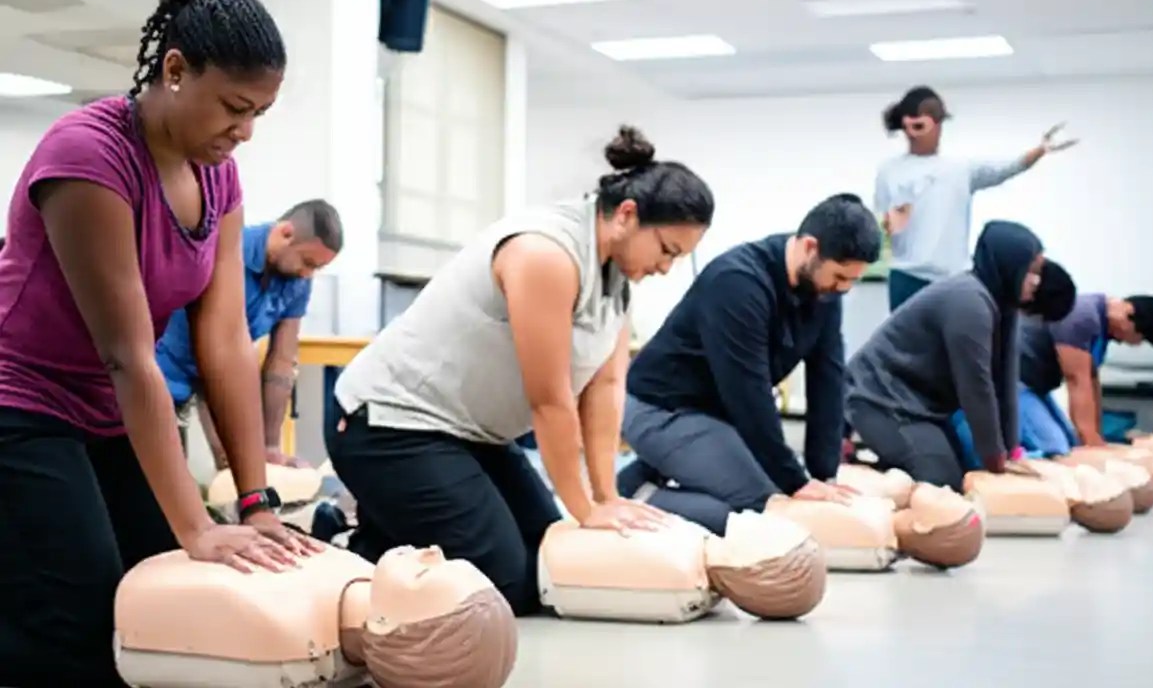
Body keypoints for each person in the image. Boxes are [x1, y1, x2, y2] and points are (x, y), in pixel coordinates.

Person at [0, 0, 321, 685]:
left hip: (109, 413)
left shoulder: (219, 176)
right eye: (234, 108)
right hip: (22, 402)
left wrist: (253, 499)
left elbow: (226, 343)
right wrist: (197, 526)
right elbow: (128, 356)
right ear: (175, 70)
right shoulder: (88, 155)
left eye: (258, 115)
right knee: (79, 604)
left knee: (162, 581)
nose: (243, 132)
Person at [327, 126, 714, 615]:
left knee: (547, 556)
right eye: (667, 251)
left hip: (472, 434)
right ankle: (347, 542)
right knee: (505, 582)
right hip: (389, 424)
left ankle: (386, 522)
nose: (666, 268)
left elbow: (606, 386)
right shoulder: (545, 254)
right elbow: (550, 400)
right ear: (628, 215)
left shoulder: (619, 279)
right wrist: (586, 510)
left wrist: (607, 496)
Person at [616, 194, 881, 535]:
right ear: (810, 248)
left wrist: (824, 474)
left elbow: (827, 377)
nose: (842, 289)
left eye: (851, 282)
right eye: (839, 277)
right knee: (767, 508)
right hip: (664, 410)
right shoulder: (738, 282)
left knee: (785, 493)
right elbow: (748, 392)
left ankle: (650, 472)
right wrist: (794, 483)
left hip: (719, 416)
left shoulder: (824, 291)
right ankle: (639, 494)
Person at [843, 220, 1076, 492]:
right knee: (942, 482)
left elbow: (1006, 381)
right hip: (880, 400)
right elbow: (976, 388)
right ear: (1009, 265)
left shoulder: (1005, 305)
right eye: (1030, 271)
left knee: (964, 473)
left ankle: (885, 467)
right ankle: (852, 475)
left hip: (920, 408)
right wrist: (994, 458)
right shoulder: (969, 302)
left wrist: (1012, 450)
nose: (1035, 282)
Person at [158, 199, 343, 470]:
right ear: (285, 233)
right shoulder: (228, 254)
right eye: (307, 262)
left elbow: (281, 361)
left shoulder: (297, 281)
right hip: (159, 381)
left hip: (205, 374)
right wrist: (231, 457)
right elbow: (215, 361)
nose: (308, 274)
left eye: (317, 268)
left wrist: (270, 447)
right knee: (161, 488)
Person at [875, 85, 1078, 310]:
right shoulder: (890, 170)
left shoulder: (959, 169)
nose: (914, 135)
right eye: (909, 127)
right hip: (907, 275)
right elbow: (884, 222)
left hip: (952, 278)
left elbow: (1007, 167)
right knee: (908, 343)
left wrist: (1041, 150)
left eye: (920, 127)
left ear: (939, 125)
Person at [1015, 293, 1153, 457]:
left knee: (1071, 442)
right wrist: (1091, 442)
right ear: (1130, 318)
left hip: (1034, 387)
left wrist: (1095, 438)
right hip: (1011, 382)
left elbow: (1091, 381)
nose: (1135, 344)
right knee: (1055, 448)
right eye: (1141, 339)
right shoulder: (1083, 316)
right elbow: (1076, 380)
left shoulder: (1102, 329)